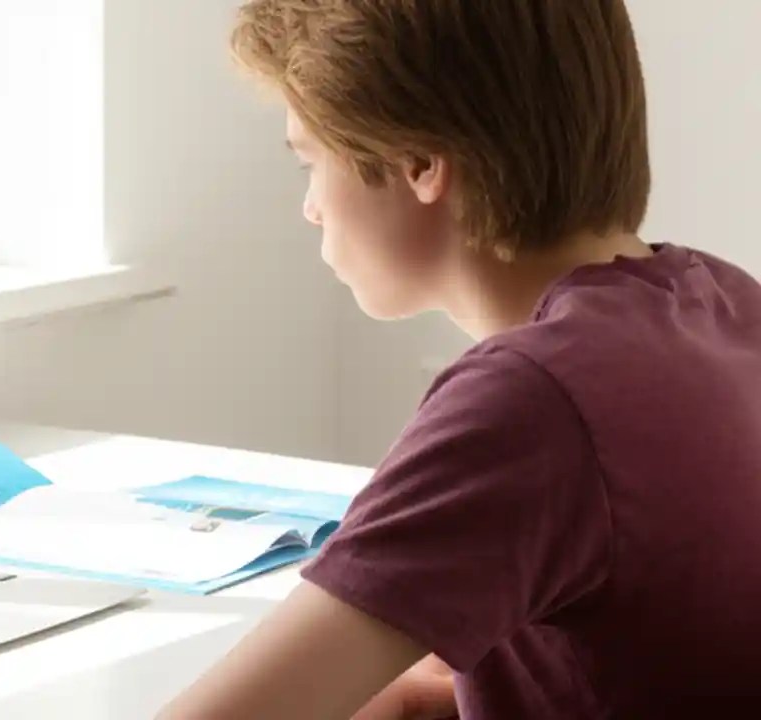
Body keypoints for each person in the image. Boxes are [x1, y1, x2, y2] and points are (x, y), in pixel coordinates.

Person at [159, 1, 761, 718]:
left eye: (310, 162)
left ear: (418, 162)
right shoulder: (722, 301)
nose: (311, 209)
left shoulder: (530, 402)